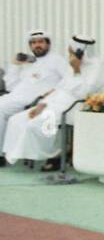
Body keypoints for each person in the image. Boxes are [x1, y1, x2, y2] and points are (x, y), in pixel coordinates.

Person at [2, 36, 104, 170]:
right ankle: (13, 155)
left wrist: (76, 70)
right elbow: (60, 88)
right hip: (54, 102)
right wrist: (43, 104)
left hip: (74, 106)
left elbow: (83, 92)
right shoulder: (72, 65)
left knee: (34, 125)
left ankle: (55, 155)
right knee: (16, 120)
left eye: (72, 52)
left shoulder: (96, 68)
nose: (70, 55)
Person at [0, 30, 70, 158]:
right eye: (33, 43)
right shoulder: (29, 61)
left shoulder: (56, 60)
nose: (37, 45)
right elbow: (11, 86)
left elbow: (68, 80)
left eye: (40, 42)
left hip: (34, 101)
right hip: (14, 97)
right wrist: (15, 65)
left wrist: (52, 93)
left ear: (48, 44)